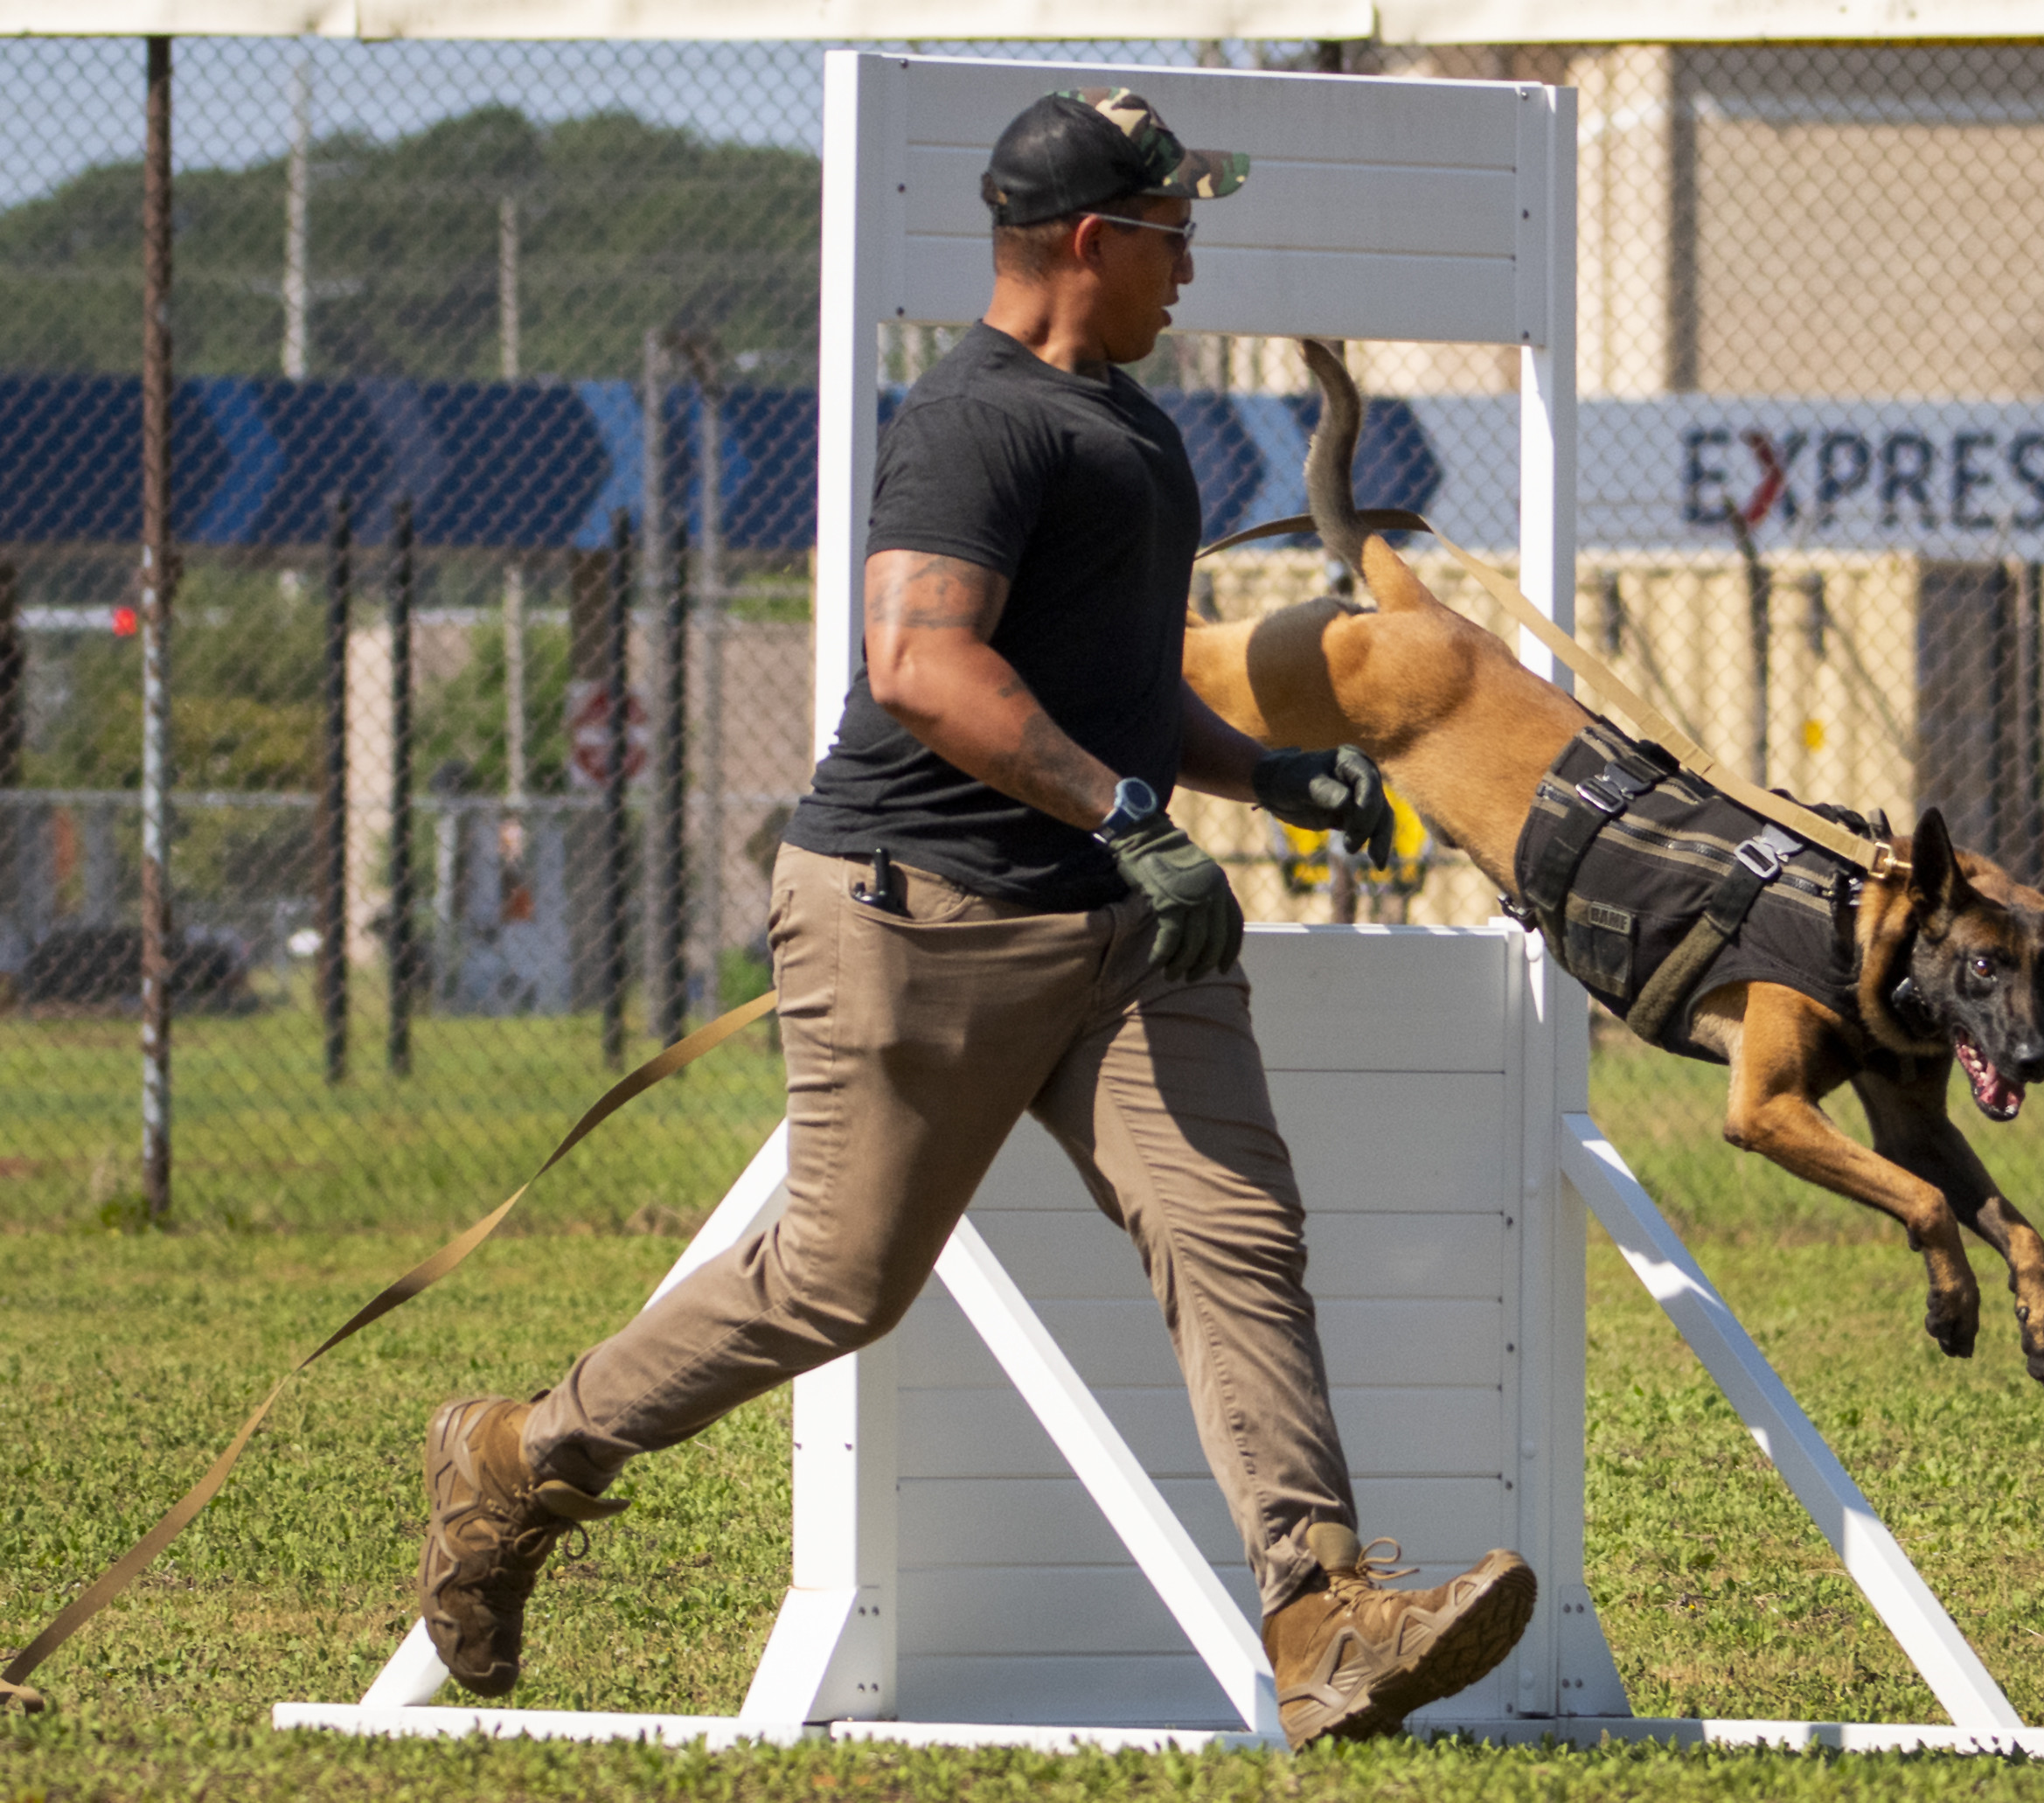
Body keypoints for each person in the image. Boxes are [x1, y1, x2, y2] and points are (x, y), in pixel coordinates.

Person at [414, 87, 1537, 1749]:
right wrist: (1129, 814)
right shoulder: (972, 424)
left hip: (1118, 925)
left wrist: (1258, 776)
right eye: (1170, 229)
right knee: (836, 1282)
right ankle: (520, 1454)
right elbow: (920, 664)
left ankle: (1322, 1615)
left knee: (1235, 1232)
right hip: (918, 913)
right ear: (1088, 240)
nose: (1190, 260)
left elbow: (1115, 680)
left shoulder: (1135, 429)